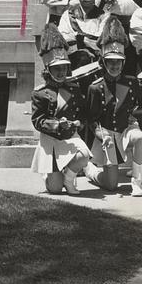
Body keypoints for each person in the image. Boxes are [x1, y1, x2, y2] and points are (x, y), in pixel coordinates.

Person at [84, 15, 142, 196]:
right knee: (111, 185)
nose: (115, 66)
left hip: (126, 130)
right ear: (104, 63)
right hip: (107, 136)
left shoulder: (132, 83)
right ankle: (91, 171)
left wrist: (134, 116)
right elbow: (91, 119)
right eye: (110, 62)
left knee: (139, 137)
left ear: (123, 62)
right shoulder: (95, 87)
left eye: (118, 62)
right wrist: (100, 134)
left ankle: (138, 182)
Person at [30, 24, 91, 195]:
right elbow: (38, 121)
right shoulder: (39, 93)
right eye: (57, 68)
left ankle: (69, 179)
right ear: (48, 70)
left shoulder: (74, 88)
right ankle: (51, 177)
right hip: (51, 139)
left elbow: (82, 113)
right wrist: (57, 125)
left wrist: (79, 123)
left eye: (64, 67)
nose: (61, 72)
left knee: (84, 155)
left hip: (70, 136)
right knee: (55, 190)